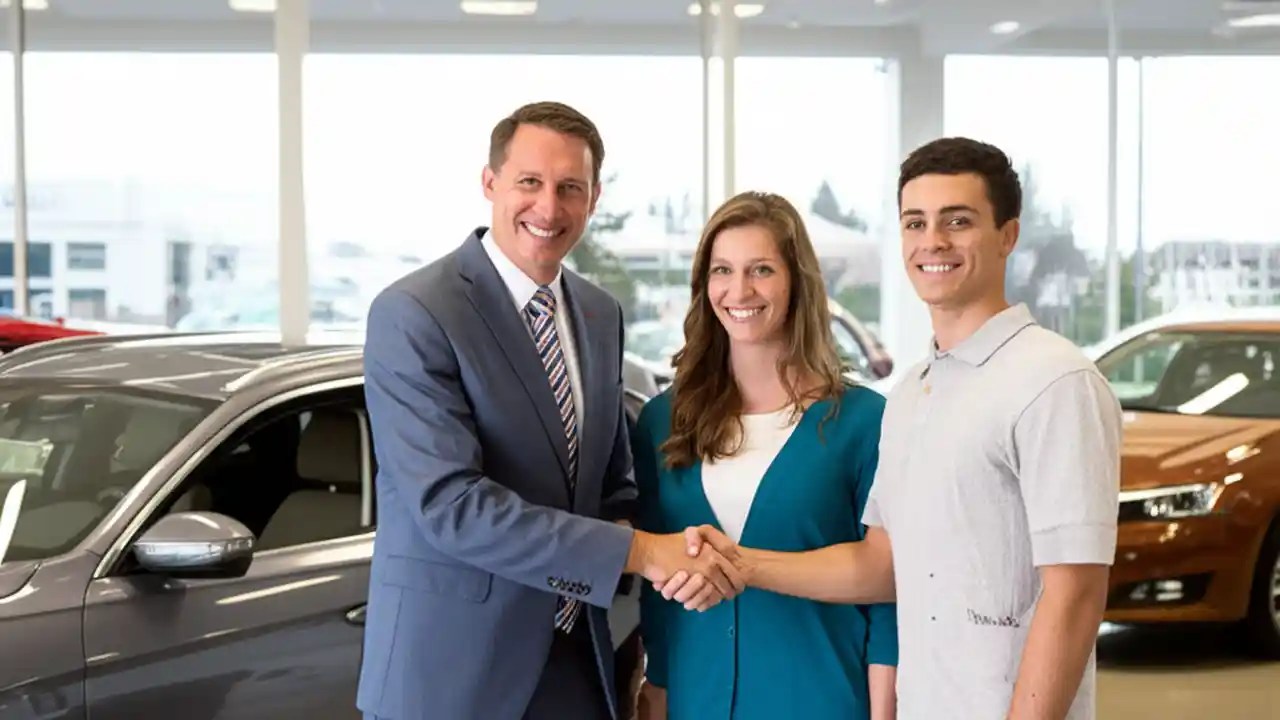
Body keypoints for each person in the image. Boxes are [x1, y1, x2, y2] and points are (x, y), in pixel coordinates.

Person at [680, 138, 1122, 720]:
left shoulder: (1054, 380)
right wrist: (743, 565)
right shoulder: (914, 393)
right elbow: (882, 564)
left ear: (1007, 235)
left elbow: (1076, 591)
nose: (932, 241)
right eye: (916, 223)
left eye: (957, 221)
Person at [358, 101, 745, 720]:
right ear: (490, 183)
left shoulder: (598, 314)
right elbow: (451, 505)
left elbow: (610, 484)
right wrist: (646, 553)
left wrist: (691, 548)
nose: (548, 207)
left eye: (570, 188)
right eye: (529, 182)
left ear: (594, 199)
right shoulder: (415, 313)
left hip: (575, 660)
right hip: (449, 673)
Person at [632, 191, 899, 720]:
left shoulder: (865, 422)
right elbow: (657, 593)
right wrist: (656, 689)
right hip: (696, 701)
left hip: (822, 702)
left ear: (797, 281)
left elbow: (888, 592)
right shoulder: (663, 421)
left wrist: (883, 709)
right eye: (723, 270)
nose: (739, 290)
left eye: (761, 270)